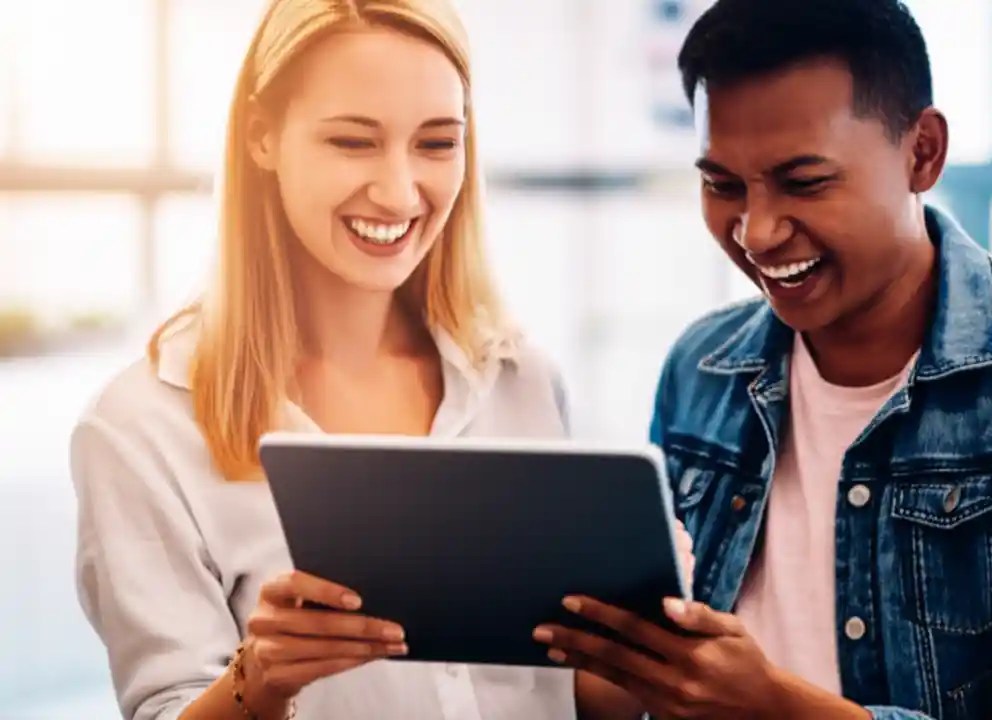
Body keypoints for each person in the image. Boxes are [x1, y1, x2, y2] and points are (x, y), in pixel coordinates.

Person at [533, 1, 992, 718]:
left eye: (804, 182)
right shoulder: (702, 367)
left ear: (922, 153)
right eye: (722, 185)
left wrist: (773, 707)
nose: (756, 232)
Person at [67, 1, 695, 718]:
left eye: (437, 143)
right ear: (261, 136)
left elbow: (576, 703)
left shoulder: (517, 379)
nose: (399, 192)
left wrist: (639, 634)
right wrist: (261, 677)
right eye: (352, 142)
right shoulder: (141, 428)